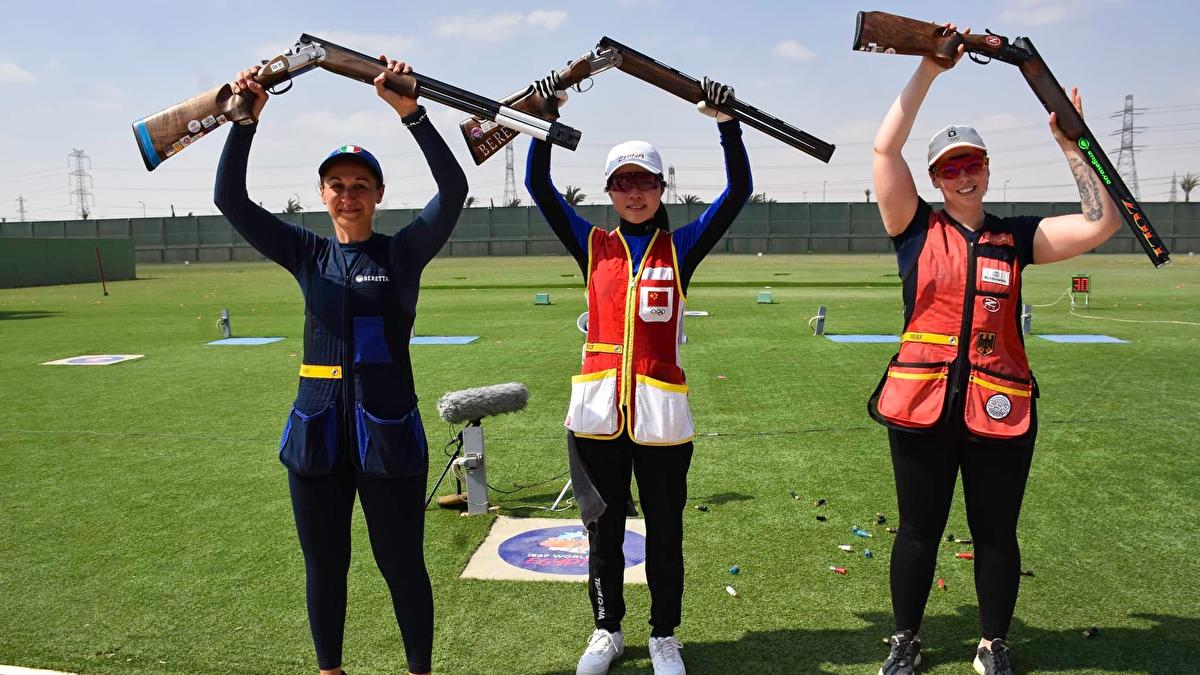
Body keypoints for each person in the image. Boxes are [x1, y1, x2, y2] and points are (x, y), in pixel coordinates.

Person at [867, 23, 1125, 675]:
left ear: (986, 169)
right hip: (922, 404)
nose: (963, 174)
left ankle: (992, 643)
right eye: (950, 167)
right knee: (918, 531)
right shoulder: (912, 225)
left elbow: (1101, 223)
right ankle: (904, 639)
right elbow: (882, 148)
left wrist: (1075, 147)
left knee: (996, 534)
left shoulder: (1017, 236)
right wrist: (929, 68)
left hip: (999, 407)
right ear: (935, 176)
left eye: (972, 163)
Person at [214, 57, 468, 675]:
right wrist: (243, 121)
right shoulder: (306, 252)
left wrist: (412, 113)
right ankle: (330, 671)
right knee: (325, 566)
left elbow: (454, 191)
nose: (348, 194)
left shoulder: (403, 252)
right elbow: (229, 199)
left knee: (403, 564)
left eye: (360, 184)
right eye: (337, 184)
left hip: (388, 436)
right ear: (323, 194)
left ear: (378, 194)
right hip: (316, 439)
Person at [524, 74, 752, 675]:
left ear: (660, 188)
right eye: (623, 183)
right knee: (603, 528)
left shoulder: (681, 248)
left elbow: (738, 192)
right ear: (610, 191)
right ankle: (607, 630)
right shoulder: (593, 244)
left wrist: (727, 126)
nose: (635, 193)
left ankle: (664, 636)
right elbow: (538, 186)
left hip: (660, 414)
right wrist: (546, 119)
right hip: (598, 412)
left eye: (645, 182)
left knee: (665, 530)